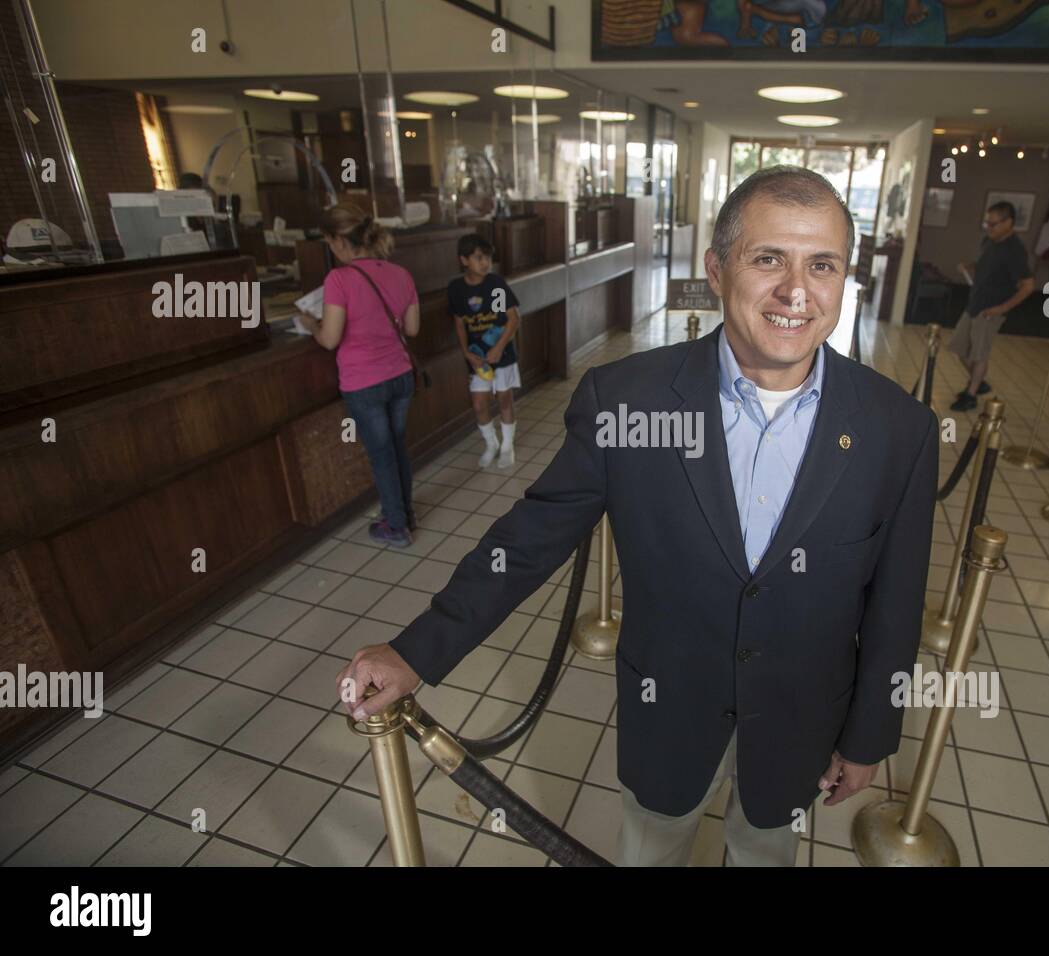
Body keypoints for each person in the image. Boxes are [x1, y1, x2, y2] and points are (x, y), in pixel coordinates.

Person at [336, 165, 938, 866]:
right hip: (671, 715)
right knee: (652, 849)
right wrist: (417, 650)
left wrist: (868, 738)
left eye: (822, 265)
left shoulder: (898, 429)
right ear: (716, 269)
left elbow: (896, 605)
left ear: (844, 279)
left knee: (766, 848)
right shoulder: (627, 402)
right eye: (767, 257)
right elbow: (531, 539)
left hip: (802, 725)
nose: (795, 291)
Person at [298, 202, 420, 548]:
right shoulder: (401, 274)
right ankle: (405, 513)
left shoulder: (338, 279)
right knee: (397, 447)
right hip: (401, 376)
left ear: (338, 240)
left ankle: (396, 525)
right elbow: (412, 328)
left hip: (364, 383)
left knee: (381, 454)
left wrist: (312, 325)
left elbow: (330, 339)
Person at [948, 201, 1036, 411]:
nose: (989, 228)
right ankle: (978, 383)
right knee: (959, 348)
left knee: (979, 354)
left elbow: (1028, 286)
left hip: (990, 311)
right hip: (974, 304)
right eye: (987, 223)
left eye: (994, 224)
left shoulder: (1015, 251)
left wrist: (1001, 309)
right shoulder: (989, 241)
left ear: (1009, 223)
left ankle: (971, 395)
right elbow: (985, 267)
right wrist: (969, 267)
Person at [449, 234, 521, 469]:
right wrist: (466, 353)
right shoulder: (457, 289)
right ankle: (492, 444)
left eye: (488, 257)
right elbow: (460, 323)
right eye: (478, 257)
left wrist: (499, 347)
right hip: (477, 358)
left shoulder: (495, 285)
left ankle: (508, 446)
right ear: (464, 260)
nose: (485, 262)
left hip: (502, 355)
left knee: (504, 400)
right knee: (479, 404)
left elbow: (511, 319)